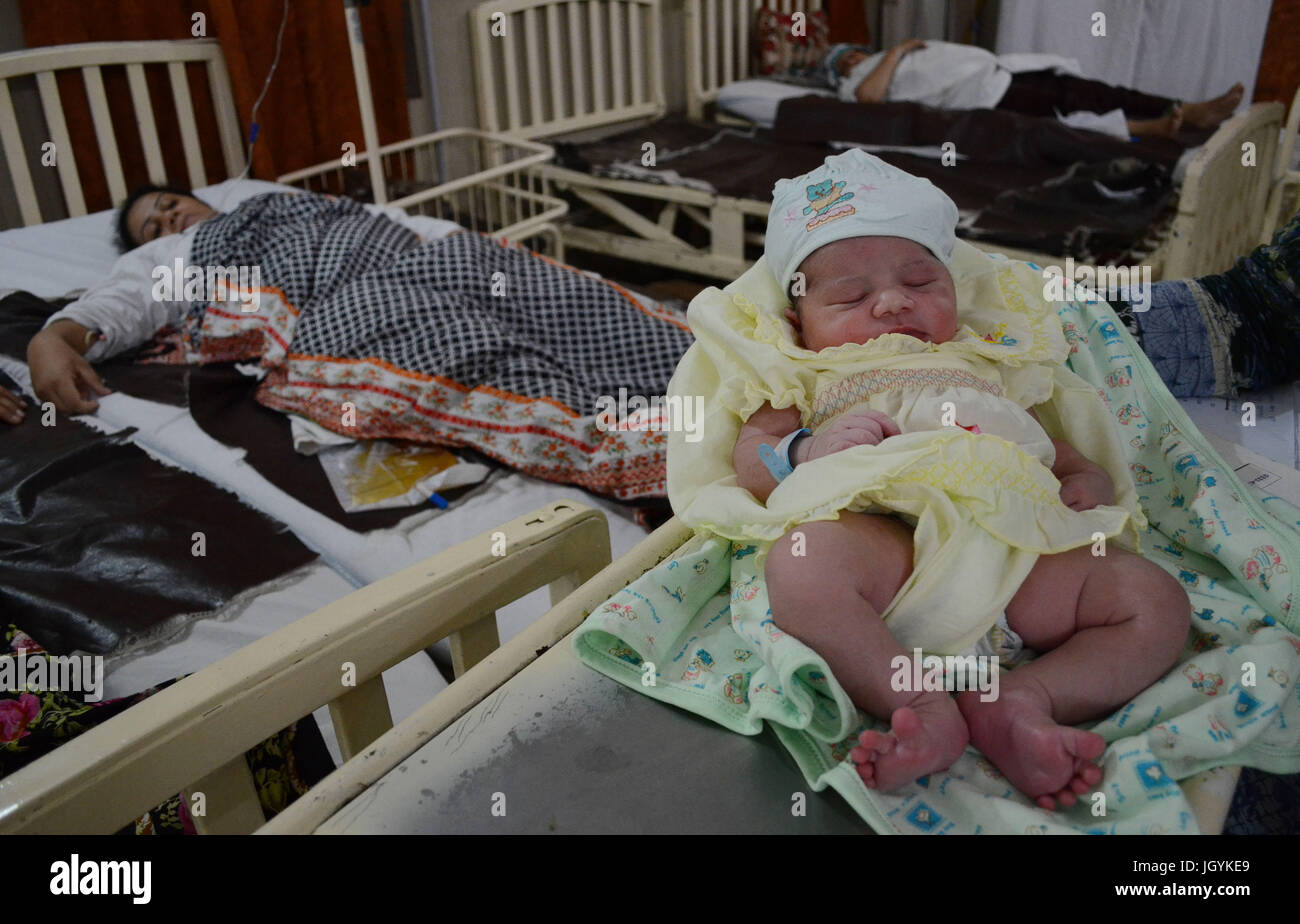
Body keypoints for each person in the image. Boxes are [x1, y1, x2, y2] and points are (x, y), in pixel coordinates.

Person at [730, 149, 1191, 808]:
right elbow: (751, 455)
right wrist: (806, 450)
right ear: (799, 321)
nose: (892, 302)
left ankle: (1019, 699)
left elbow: (1044, 439)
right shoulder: (801, 370)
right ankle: (918, 700)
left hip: (1018, 556)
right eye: (851, 296)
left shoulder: (987, 358)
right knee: (801, 568)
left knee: (1156, 602)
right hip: (891, 552)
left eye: (921, 282)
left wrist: (1085, 474)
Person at [824, 40, 1243, 139]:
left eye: (854, 54)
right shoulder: (855, 84)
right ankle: (1147, 127)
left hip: (1004, 70)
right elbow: (869, 100)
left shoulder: (879, 57)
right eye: (845, 60)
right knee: (1062, 118)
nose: (854, 59)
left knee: (1093, 90)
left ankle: (1186, 109)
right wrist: (897, 50)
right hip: (983, 94)